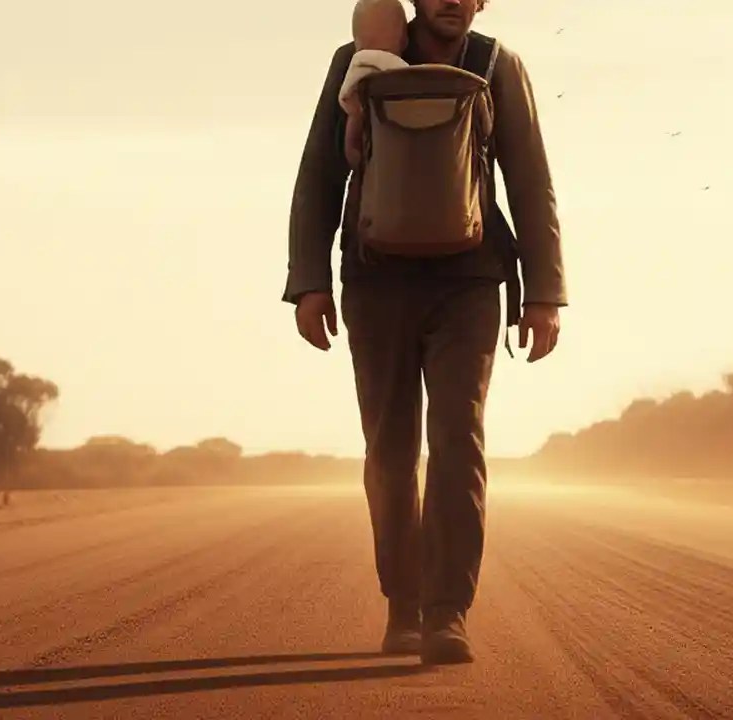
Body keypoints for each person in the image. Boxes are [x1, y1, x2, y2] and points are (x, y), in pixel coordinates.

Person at [283, 0, 567, 665]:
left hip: (469, 285)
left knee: (456, 441)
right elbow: (318, 176)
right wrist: (309, 280)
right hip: (374, 280)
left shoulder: (498, 66)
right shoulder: (358, 59)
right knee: (388, 450)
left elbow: (530, 182)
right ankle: (402, 606)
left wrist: (544, 294)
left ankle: (446, 614)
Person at [339, 0, 410, 169]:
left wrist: (355, 157)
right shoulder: (401, 70)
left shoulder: (357, 71)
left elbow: (354, 120)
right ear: (404, 40)